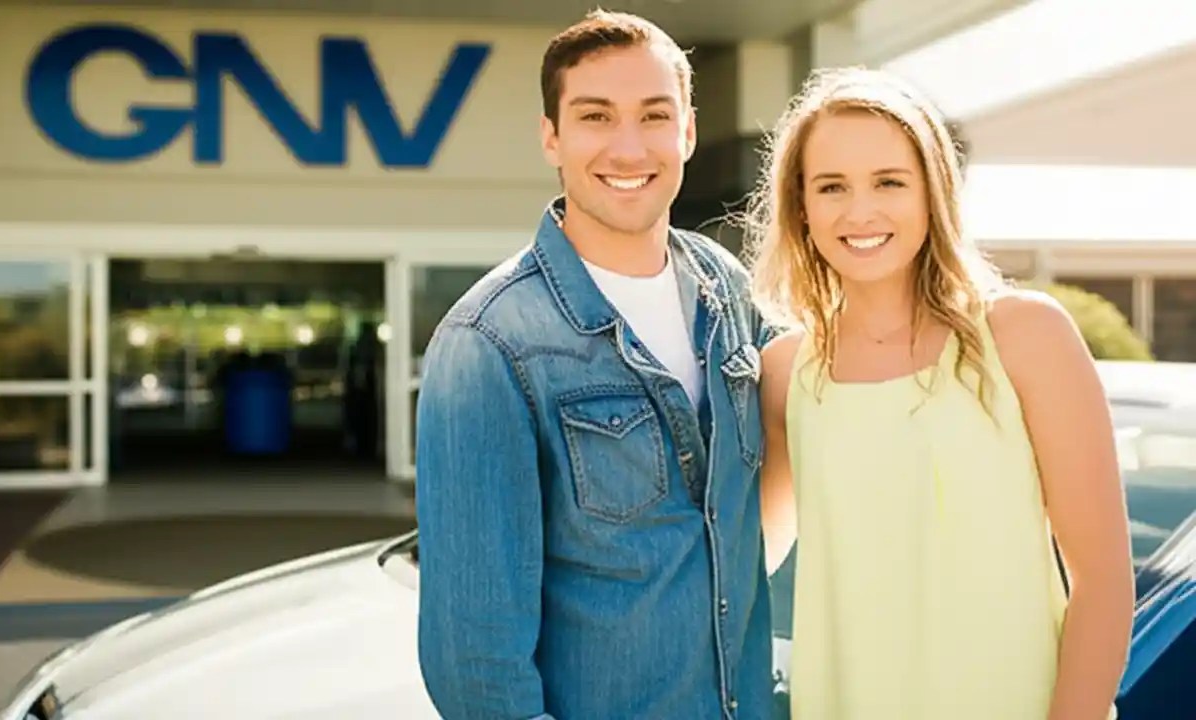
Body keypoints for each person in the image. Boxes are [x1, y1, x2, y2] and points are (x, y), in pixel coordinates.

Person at [415, 10, 778, 720]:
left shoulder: (726, 288)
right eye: (595, 116)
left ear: (688, 132)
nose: (628, 145)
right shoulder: (488, 344)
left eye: (654, 115)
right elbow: (478, 671)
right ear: (551, 136)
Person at [747, 67, 1135, 719]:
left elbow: (1102, 580)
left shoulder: (1025, 337)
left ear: (933, 190)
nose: (860, 210)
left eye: (889, 182)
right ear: (802, 206)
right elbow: (739, 572)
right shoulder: (786, 374)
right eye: (832, 186)